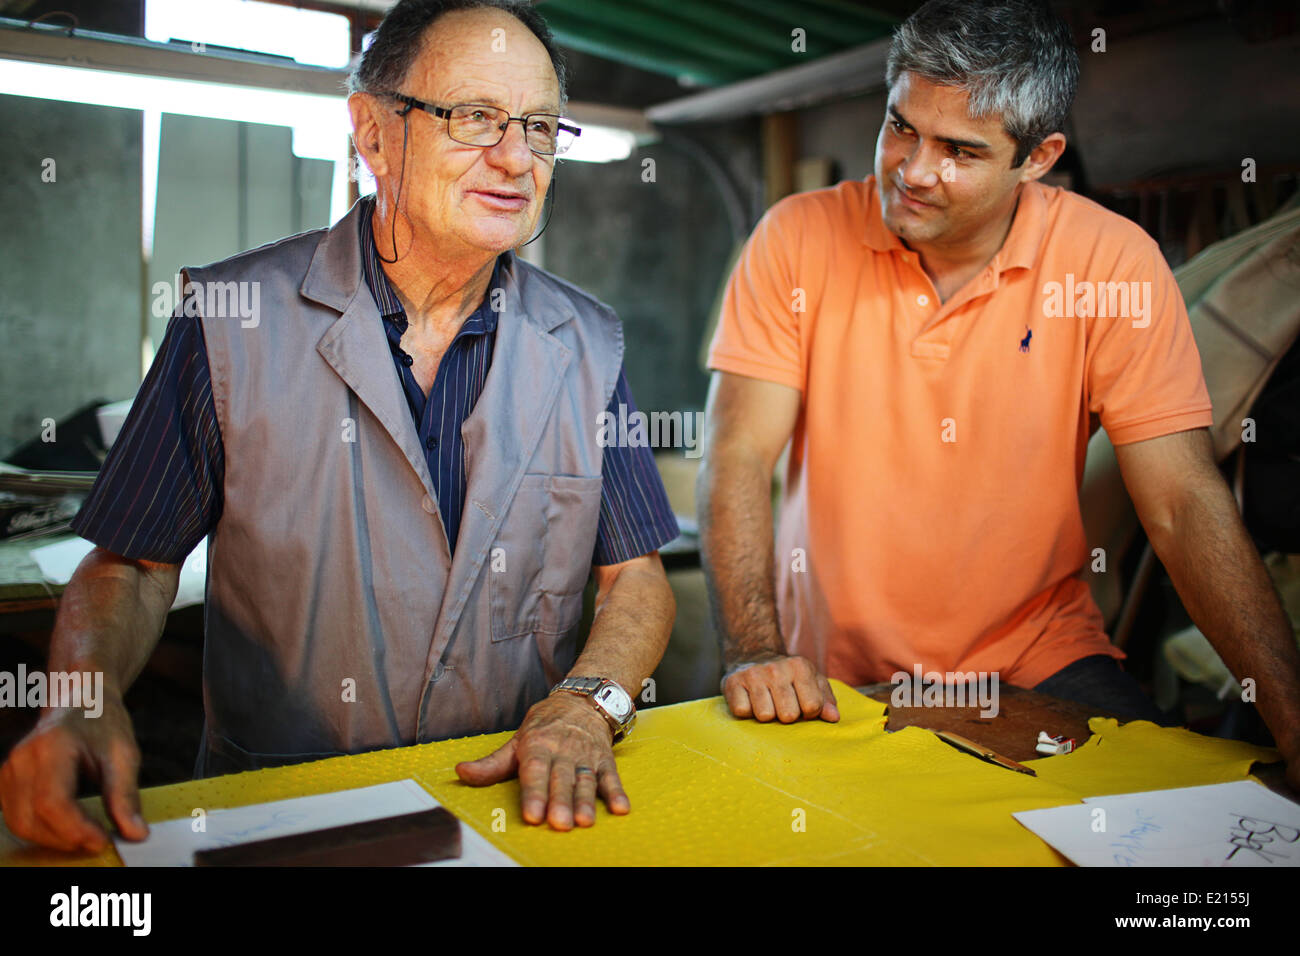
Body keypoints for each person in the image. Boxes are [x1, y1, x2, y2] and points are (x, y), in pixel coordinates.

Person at [0, 0, 678, 852]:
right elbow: (133, 564)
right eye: (474, 117)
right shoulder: (231, 321)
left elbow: (637, 578)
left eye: (539, 127)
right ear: (373, 133)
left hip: (508, 810)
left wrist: (590, 703)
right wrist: (79, 703)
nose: (515, 158)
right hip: (281, 816)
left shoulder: (586, 344)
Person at [698, 0, 1300, 790]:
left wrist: (1291, 718)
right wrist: (755, 650)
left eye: (958, 150)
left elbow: (1183, 499)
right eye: (901, 126)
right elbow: (738, 454)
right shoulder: (796, 236)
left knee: (1168, 819)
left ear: (1039, 157)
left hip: (1040, 656)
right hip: (834, 671)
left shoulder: (1112, 264)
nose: (913, 169)